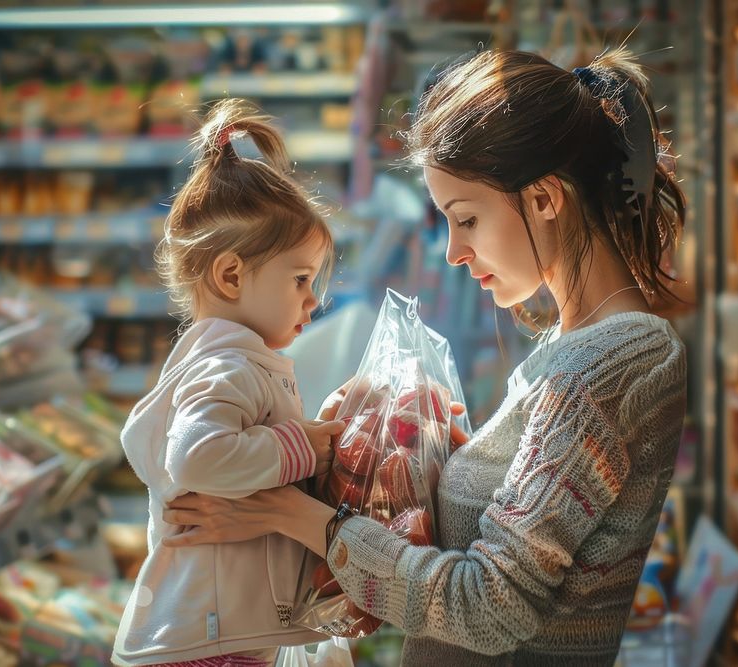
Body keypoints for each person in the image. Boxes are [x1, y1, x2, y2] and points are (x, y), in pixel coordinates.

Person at [159, 47, 688, 667]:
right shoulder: (573, 350)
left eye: (466, 219)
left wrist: (299, 517)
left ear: (545, 199)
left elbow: (488, 609)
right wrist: (400, 454)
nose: (453, 253)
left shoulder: (612, 362)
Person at [112, 99, 347, 667]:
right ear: (231, 274)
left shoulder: (234, 359)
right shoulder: (229, 365)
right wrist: (303, 449)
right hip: (211, 642)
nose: (313, 300)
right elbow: (198, 456)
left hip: (217, 630)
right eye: (300, 279)